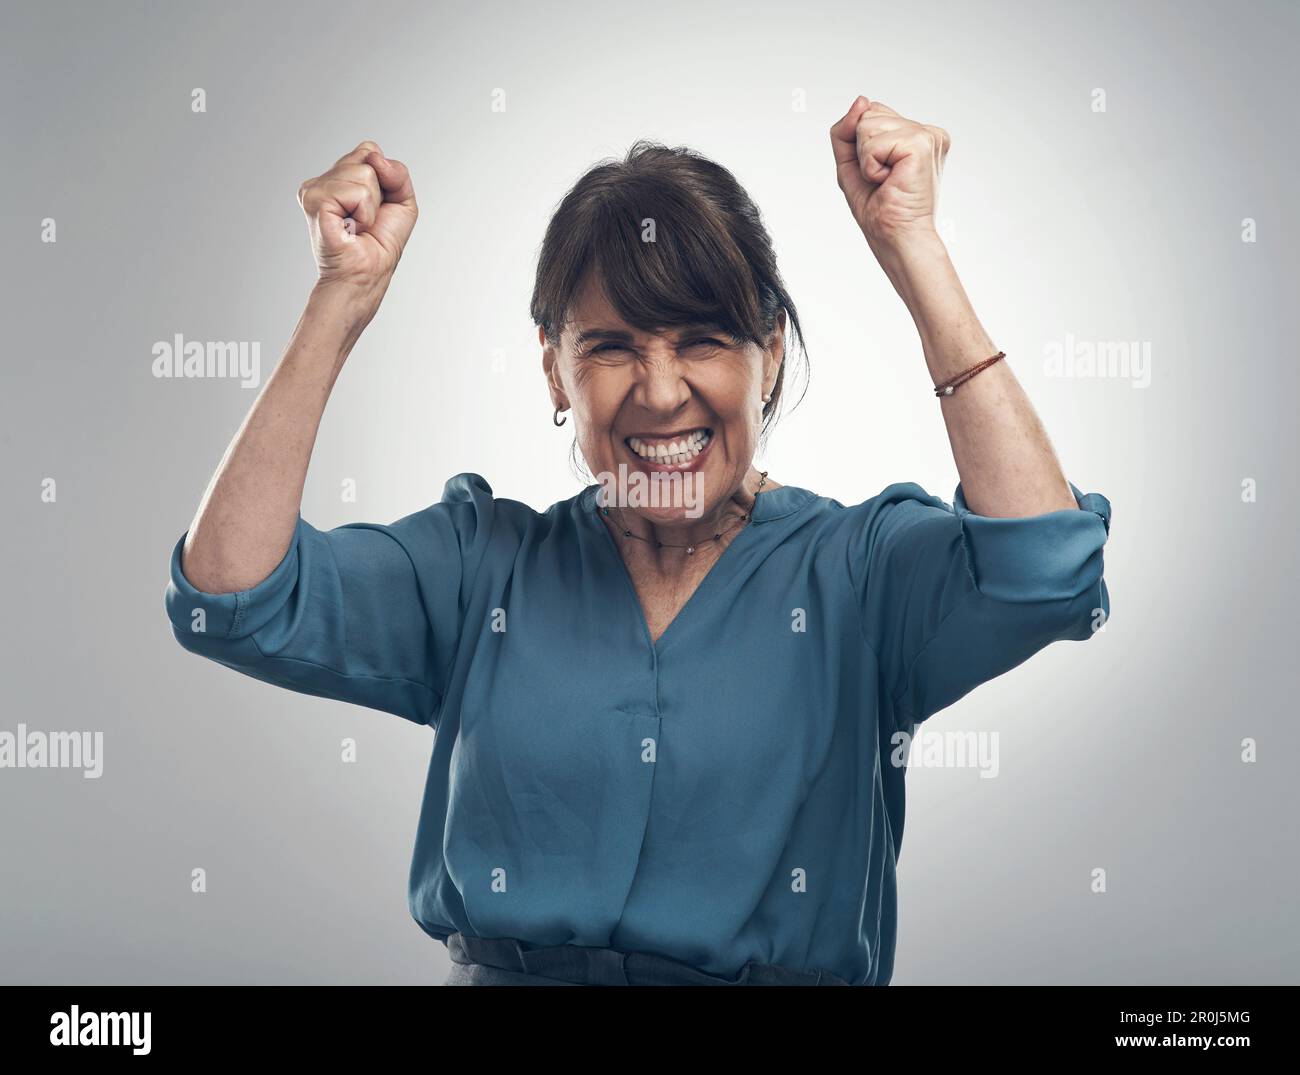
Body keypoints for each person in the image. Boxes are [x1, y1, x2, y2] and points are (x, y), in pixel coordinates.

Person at [164, 96, 1111, 986]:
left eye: (702, 339)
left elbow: (1044, 566)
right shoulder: (477, 568)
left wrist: (913, 247)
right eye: (612, 347)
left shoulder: (857, 576)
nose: (660, 393)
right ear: (554, 371)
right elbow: (233, 597)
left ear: (769, 352)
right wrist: (341, 297)